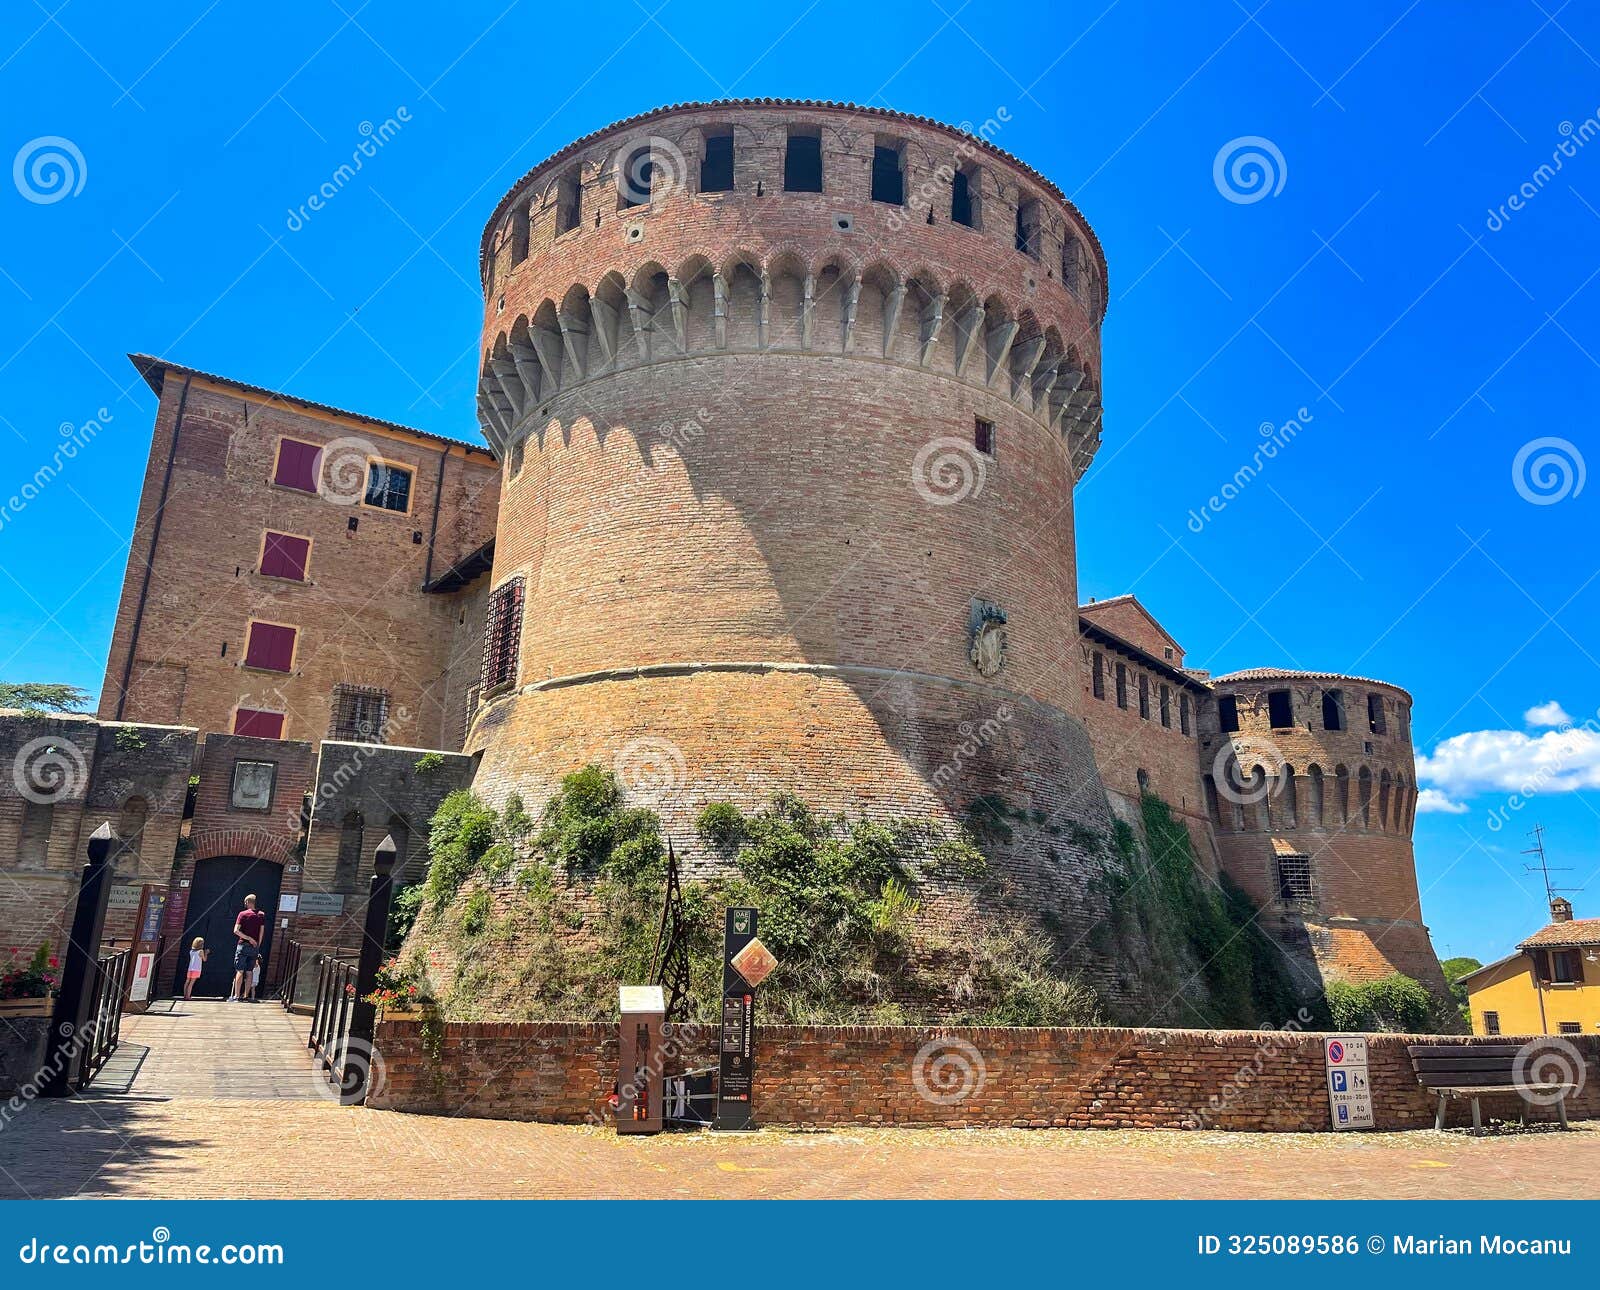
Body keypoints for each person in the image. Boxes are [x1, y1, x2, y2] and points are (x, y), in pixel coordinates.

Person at [230, 894, 266, 1002]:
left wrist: (248, 938)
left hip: (243, 945)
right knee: (250, 971)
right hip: (254, 947)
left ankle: (236, 996)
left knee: (240, 970)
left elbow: (236, 930)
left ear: (247, 902)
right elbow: (261, 932)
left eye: (245, 902)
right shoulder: (261, 915)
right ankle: (246, 996)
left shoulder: (242, 914)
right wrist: (257, 945)